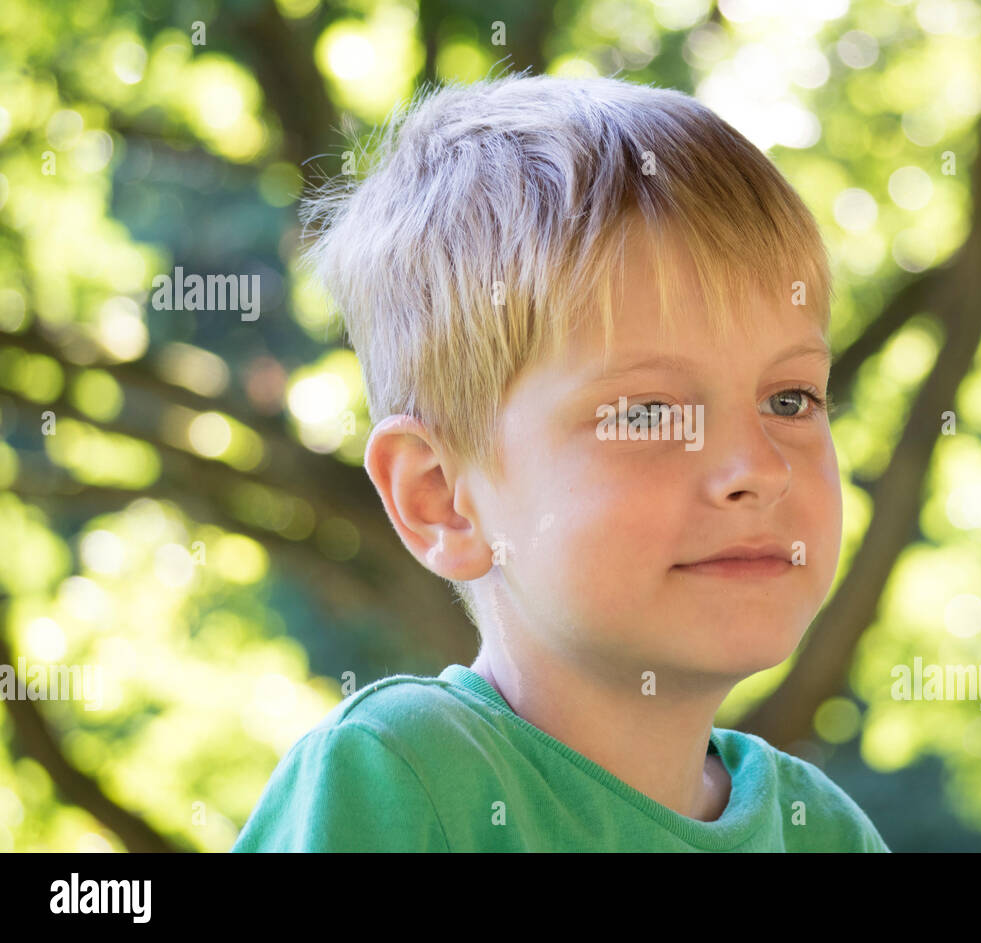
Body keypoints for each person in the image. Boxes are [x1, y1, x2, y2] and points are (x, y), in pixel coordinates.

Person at [231, 72, 889, 852]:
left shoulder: (827, 832)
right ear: (441, 495)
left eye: (789, 399)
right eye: (649, 412)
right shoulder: (401, 777)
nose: (758, 467)